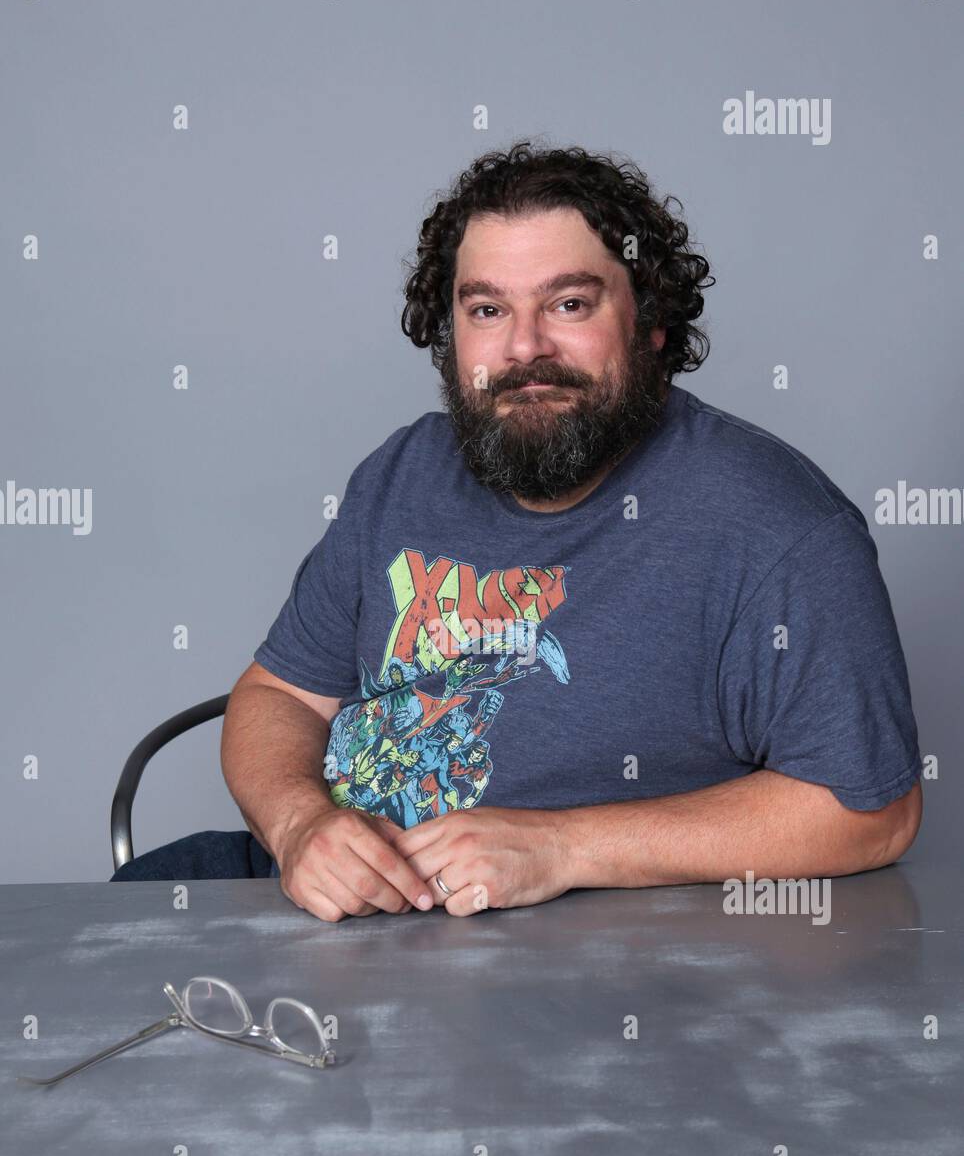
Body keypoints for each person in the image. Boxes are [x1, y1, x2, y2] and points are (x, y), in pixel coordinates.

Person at [113, 140, 923, 917]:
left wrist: (561, 849)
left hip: (557, 938)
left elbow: (872, 812)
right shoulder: (402, 473)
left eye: (569, 304)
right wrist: (300, 827)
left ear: (650, 322)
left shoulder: (776, 526)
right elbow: (277, 695)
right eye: (487, 309)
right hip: (322, 899)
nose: (524, 347)